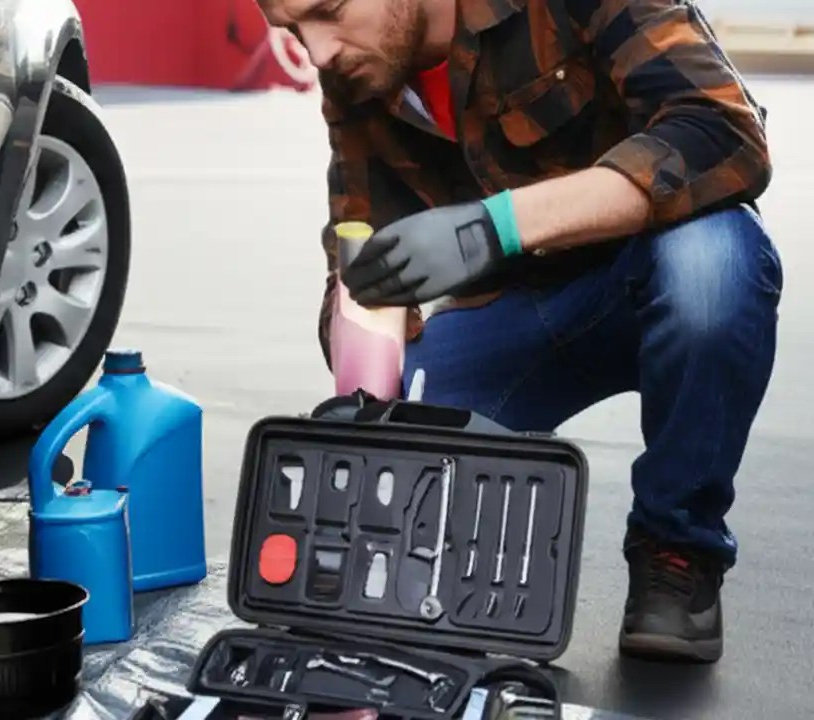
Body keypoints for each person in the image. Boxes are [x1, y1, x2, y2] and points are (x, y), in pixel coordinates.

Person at [258, 0, 783, 663]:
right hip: (515, 314)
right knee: (409, 415)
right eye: (292, 30)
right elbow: (361, 245)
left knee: (716, 263)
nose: (317, 51)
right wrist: (361, 341)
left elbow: (723, 131)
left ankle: (676, 549)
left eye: (327, 11)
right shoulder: (359, 68)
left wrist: (495, 226)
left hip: (656, 270)